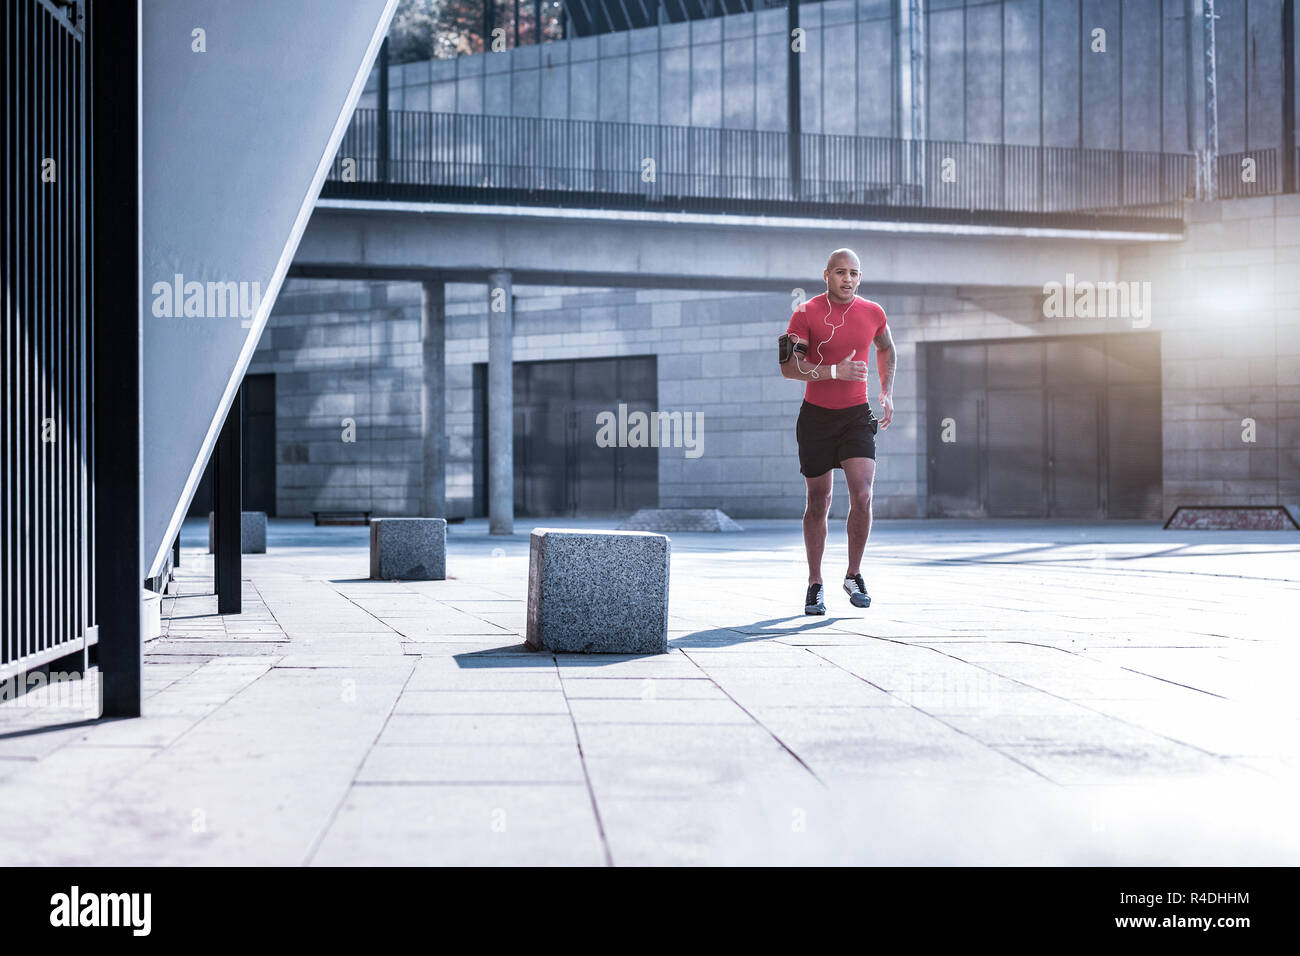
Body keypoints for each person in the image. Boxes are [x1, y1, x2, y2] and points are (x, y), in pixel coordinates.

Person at [778, 248, 896, 615]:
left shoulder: (873, 312)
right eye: (841, 272)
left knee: (863, 494)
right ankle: (815, 582)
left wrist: (887, 391)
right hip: (816, 418)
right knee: (819, 501)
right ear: (826, 275)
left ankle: (853, 574)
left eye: (854, 273)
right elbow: (788, 367)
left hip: (856, 416)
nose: (848, 279)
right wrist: (834, 371)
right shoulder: (804, 313)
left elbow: (886, 348)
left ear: (860, 277)